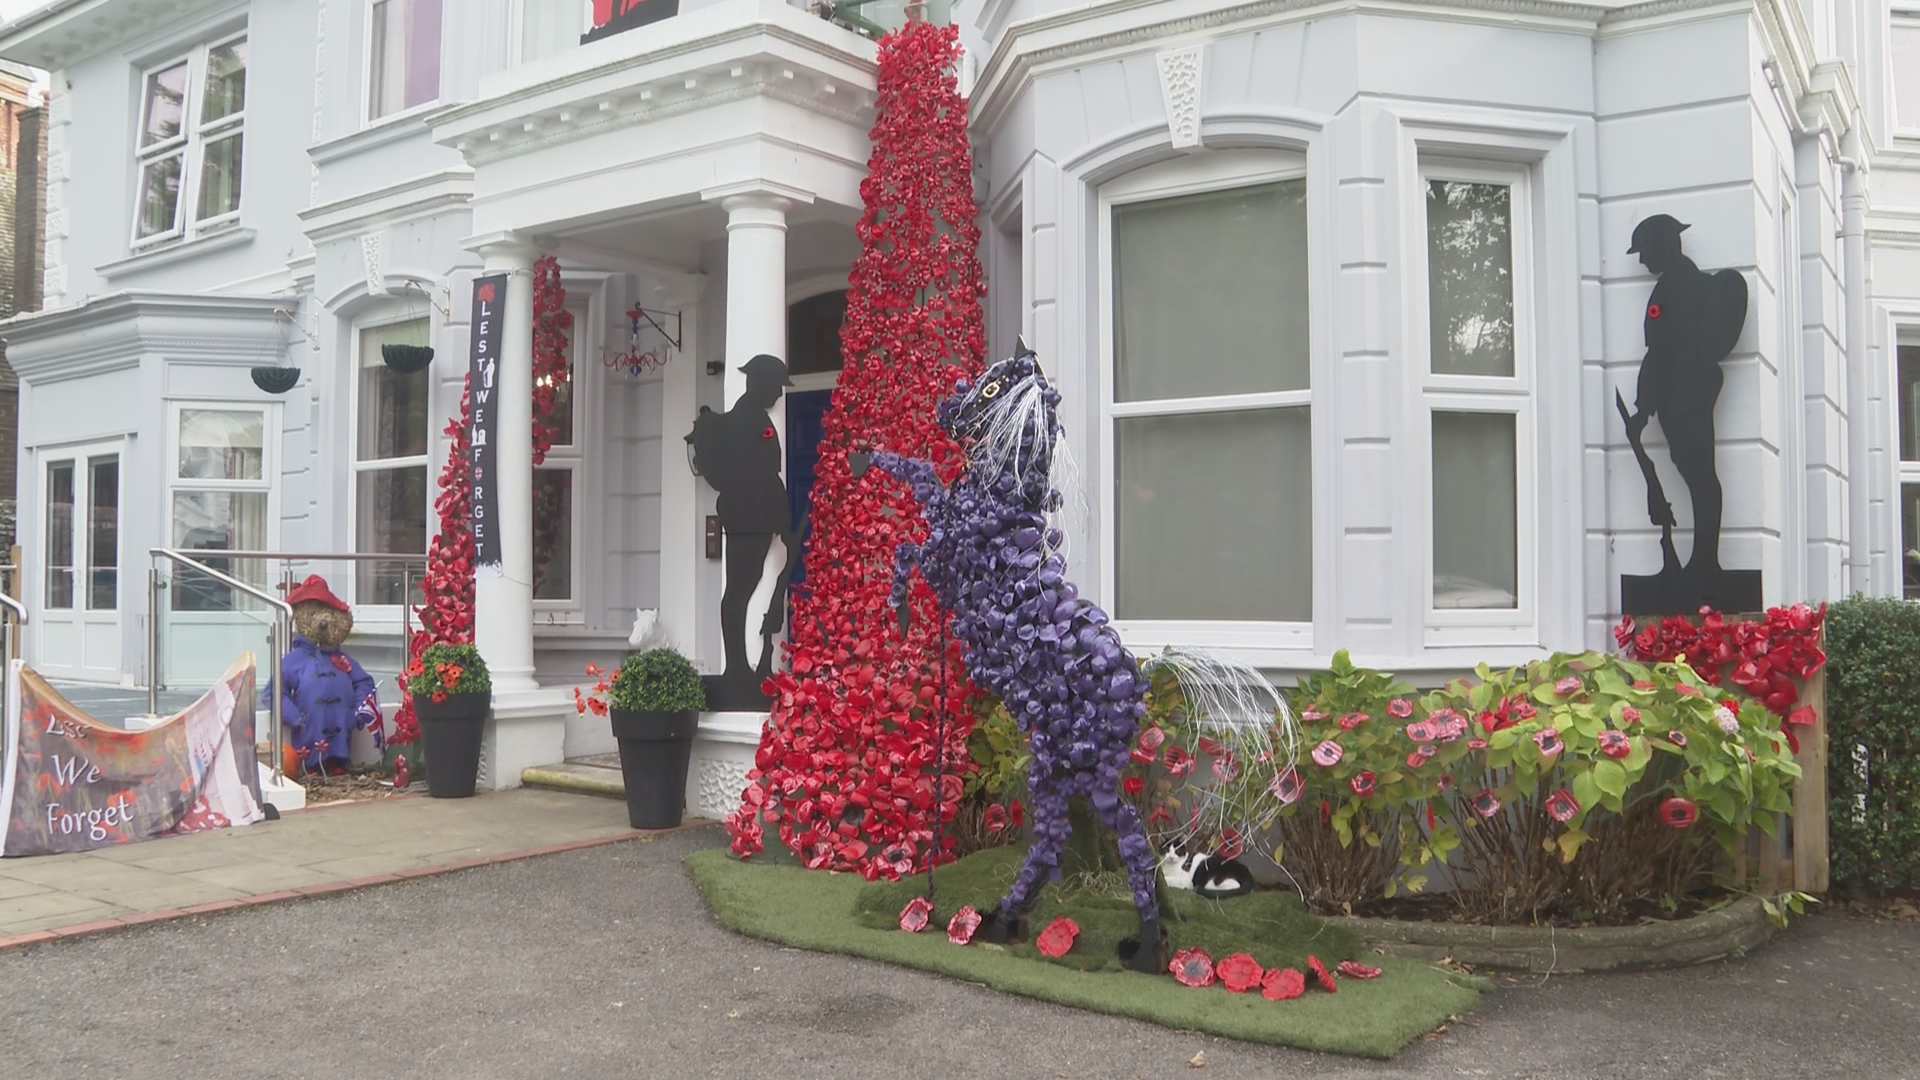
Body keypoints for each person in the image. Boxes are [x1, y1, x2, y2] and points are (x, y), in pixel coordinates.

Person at [1620, 214, 1747, 579]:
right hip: (1679, 395)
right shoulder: (1676, 285)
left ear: (1663, 245)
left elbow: (1660, 353)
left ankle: (1705, 561)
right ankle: (1703, 560)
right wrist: (1644, 409)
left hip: (1685, 397)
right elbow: (1658, 354)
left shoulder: (1680, 287)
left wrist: (1645, 408)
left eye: (1644, 251)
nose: (1643, 260)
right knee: (1698, 474)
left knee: (1699, 475)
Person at [686, 354, 796, 693]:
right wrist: (785, 519)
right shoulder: (750, 420)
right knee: (739, 592)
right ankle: (736, 668)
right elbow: (765, 476)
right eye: (776, 386)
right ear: (760, 383)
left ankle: (738, 667)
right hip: (750, 515)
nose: (779, 394)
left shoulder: (749, 417)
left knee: (741, 590)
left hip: (749, 513)